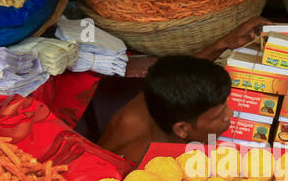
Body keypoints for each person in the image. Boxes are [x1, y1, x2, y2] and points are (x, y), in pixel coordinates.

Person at [98, 56, 233, 165]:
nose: (230, 114)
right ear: (181, 129)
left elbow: (183, 78)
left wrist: (221, 44)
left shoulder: (160, 96)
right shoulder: (148, 165)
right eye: (218, 116)